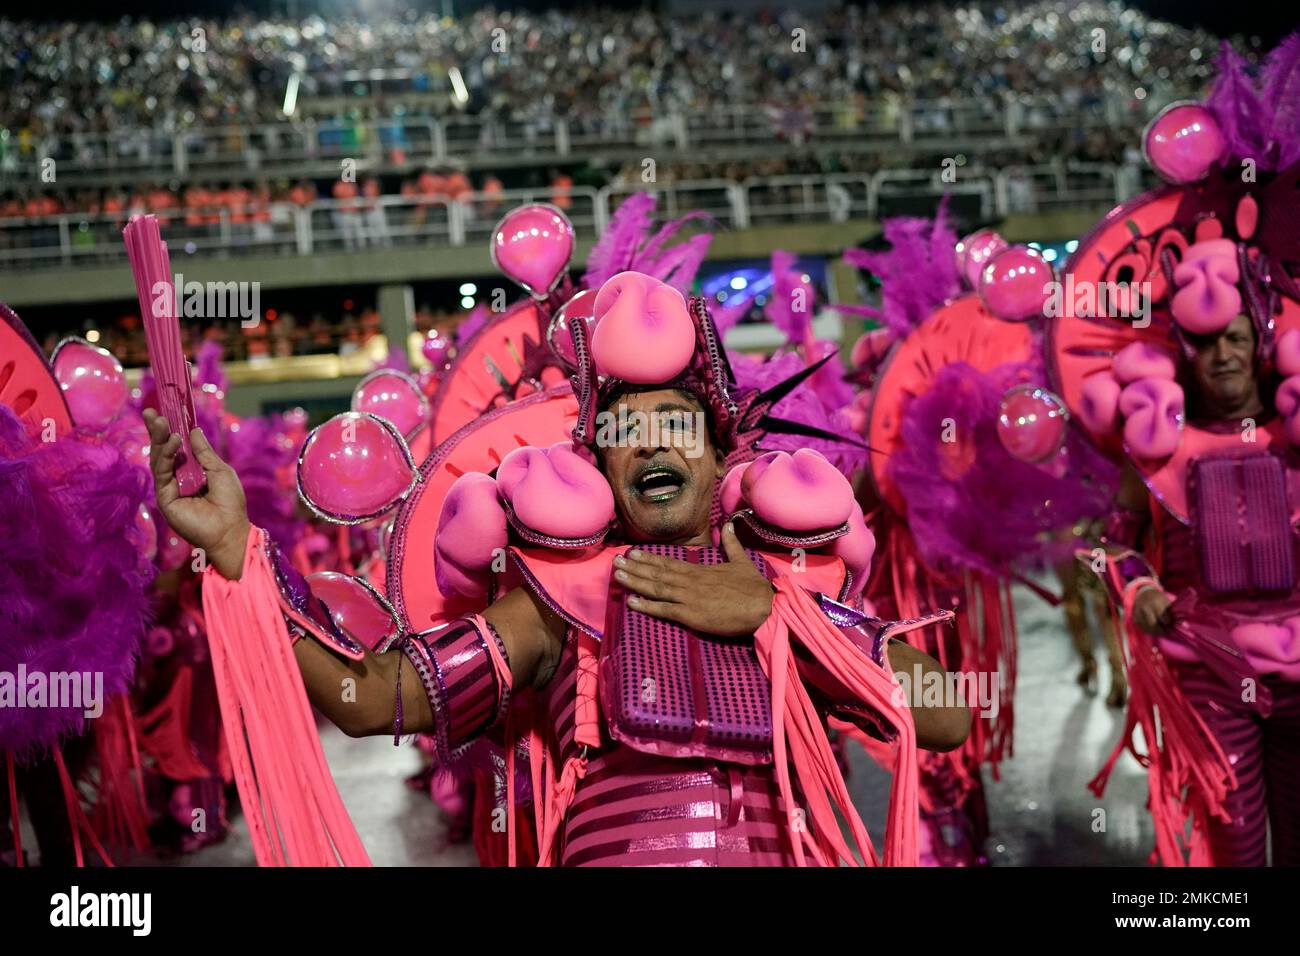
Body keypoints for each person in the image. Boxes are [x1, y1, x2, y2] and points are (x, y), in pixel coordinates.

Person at [144, 268, 971, 867]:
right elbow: (370, 699)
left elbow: (944, 717)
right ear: (599, 470)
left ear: (722, 460)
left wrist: (776, 614)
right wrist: (237, 553)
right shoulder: (555, 602)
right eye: (624, 432)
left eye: (678, 426)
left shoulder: (787, 590)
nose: (650, 442)